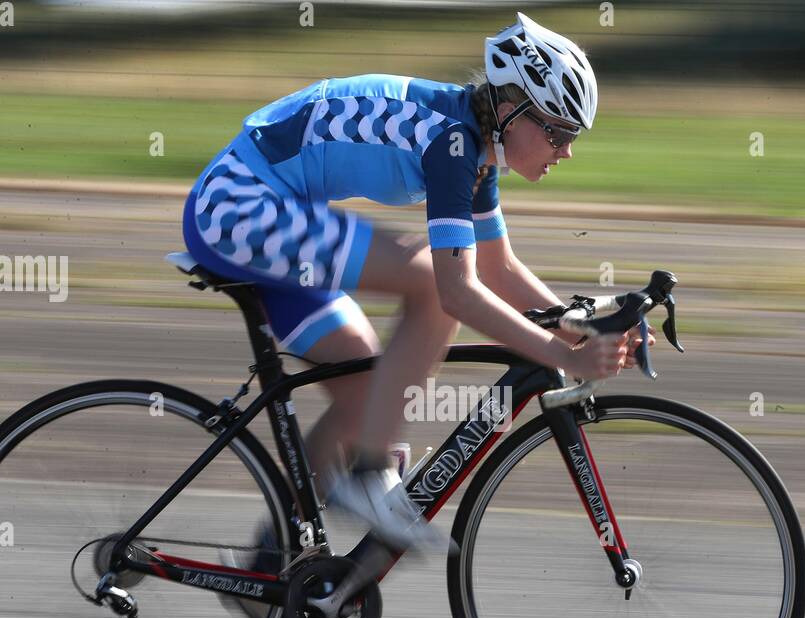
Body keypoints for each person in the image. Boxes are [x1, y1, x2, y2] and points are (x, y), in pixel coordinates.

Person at [183, 12, 646, 559]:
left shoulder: (473, 147)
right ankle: (371, 474)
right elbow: (457, 291)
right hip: (237, 207)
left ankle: (272, 563)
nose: (566, 150)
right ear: (508, 109)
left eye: (572, 134)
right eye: (557, 130)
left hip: (273, 213)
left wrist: (584, 323)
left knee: (363, 389)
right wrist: (558, 352)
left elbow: (499, 268)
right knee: (431, 283)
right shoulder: (451, 141)